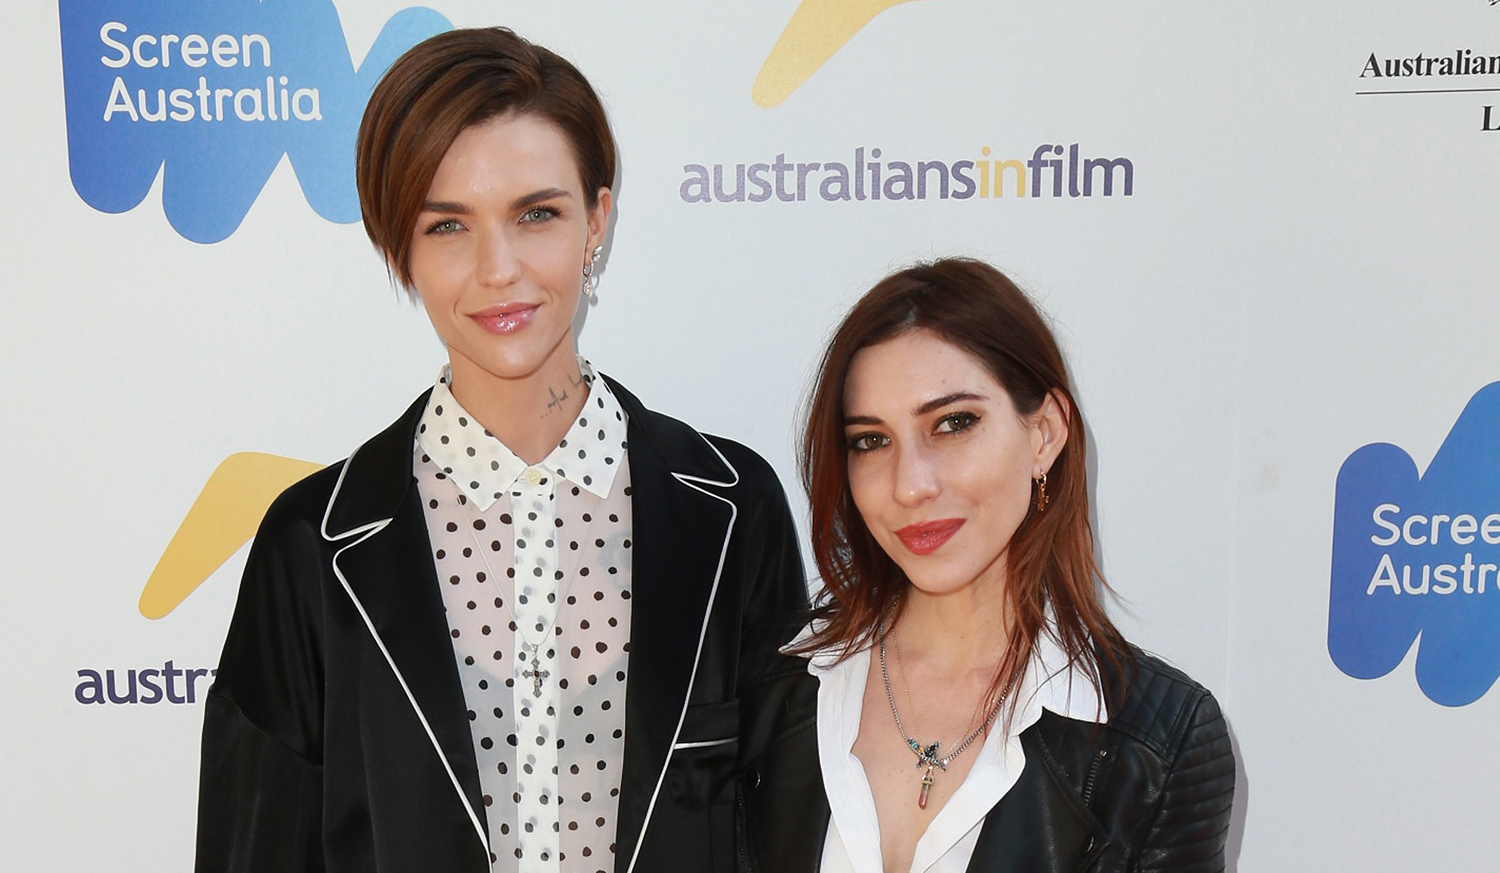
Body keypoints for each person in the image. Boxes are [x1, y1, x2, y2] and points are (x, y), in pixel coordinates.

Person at [194, 27, 818, 873]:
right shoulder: (314, 544)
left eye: (537, 214)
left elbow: (787, 832)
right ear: (401, 249)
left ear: (597, 220)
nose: (499, 269)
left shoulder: (728, 507)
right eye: (448, 225)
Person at [792, 258, 1234, 873]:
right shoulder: (774, 688)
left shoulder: (1160, 742)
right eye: (871, 440)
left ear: (1044, 433)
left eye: (954, 424)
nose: (910, 485)